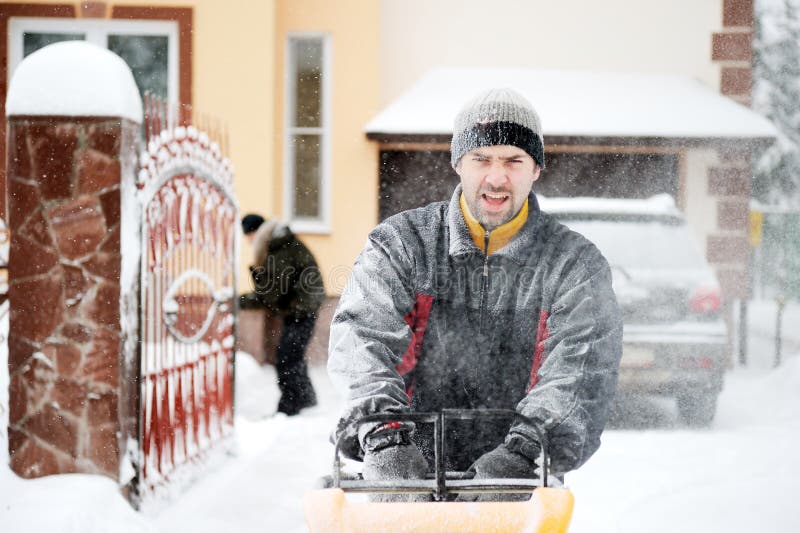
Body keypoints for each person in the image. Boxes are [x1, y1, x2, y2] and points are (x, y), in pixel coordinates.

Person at [327, 88, 623, 501]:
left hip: (517, 480)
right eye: (481, 159)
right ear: (458, 164)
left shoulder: (574, 265)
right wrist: (386, 439)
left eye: (513, 161)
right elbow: (363, 339)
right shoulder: (401, 245)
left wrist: (521, 454)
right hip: (405, 474)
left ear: (536, 168)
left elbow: (580, 372)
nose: (497, 177)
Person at [239, 213, 324, 416]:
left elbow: (273, 293)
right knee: (292, 356)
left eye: (248, 236)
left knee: (287, 358)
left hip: (301, 310)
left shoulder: (279, 250)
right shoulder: (281, 243)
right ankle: (306, 399)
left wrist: (241, 300)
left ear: (256, 233)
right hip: (300, 309)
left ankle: (290, 407)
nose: (248, 241)